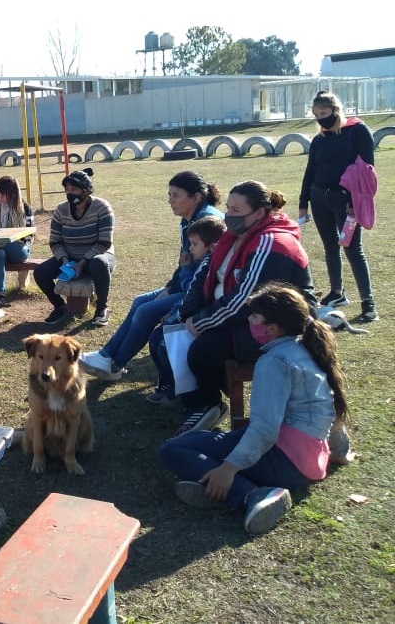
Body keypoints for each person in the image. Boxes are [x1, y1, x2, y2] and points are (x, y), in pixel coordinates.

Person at [159, 283, 349, 535]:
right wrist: (337, 450)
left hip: (285, 463)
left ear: (271, 329)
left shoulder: (274, 361)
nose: (249, 320)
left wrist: (228, 470)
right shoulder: (306, 348)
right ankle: (213, 487)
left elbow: (264, 428)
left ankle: (251, 495)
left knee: (173, 450)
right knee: (192, 440)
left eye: (254, 316)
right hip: (308, 459)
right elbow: (328, 405)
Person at [173, 181, 315, 436]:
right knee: (173, 335)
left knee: (203, 349)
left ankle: (209, 405)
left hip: (279, 327)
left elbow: (245, 300)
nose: (229, 216)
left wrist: (202, 321)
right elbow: (209, 276)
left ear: (259, 213)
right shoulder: (239, 235)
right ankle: (197, 403)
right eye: (228, 208)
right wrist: (190, 312)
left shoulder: (270, 242)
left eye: (236, 210)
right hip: (254, 317)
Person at [81, 172, 223, 381]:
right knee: (140, 302)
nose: (170, 200)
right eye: (169, 194)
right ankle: (107, 357)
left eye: (176, 195)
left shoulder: (206, 221)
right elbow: (186, 261)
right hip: (187, 283)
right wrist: (169, 287)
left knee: (145, 311)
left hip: (200, 292)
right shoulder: (190, 219)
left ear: (196, 197)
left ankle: (115, 364)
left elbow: (202, 274)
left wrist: (173, 291)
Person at [298, 90, 377, 322]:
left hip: (346, 202)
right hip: (320, 197)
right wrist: (304, 203)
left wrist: (354, 201)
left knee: (352, 249)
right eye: (315, 115)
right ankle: (337, 292)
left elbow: (366, 171)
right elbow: (310, 170)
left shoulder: (358, 131)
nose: (320, 118)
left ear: (335, 110)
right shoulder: (319, 139)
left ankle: (368, 302)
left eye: (323, 113)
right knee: (330, 246)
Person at [144, 216, 227, 404]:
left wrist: (175, 317)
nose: (190, 248)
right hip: (190, 315)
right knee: (157, 337)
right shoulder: (203, 262)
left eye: (195, 244)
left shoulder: (207, 264)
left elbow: (193, 297)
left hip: (199, 320)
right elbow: (189, 294)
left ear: (212, 247)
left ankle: (184, 393)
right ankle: (168, 384)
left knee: (164, 342)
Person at [33, 168, 116, 326]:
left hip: (97, 256)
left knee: (99, 263)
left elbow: (104, 242)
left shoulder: (102, 207)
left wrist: (83, 262)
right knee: (40, 272)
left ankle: (102, 307)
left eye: (74, 189)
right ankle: (59, 306)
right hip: (70, 257)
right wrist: (64, 260)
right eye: (67, 190)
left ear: (86, 191)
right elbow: (55, 241)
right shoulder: (61, 209)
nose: (70, 193)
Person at [0, 175, 34, 308]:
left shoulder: (25, 207)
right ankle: (0, 294)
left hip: (20, 249)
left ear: (12, 194)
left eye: (1, 194)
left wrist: (5, 238)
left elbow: (29, 235)